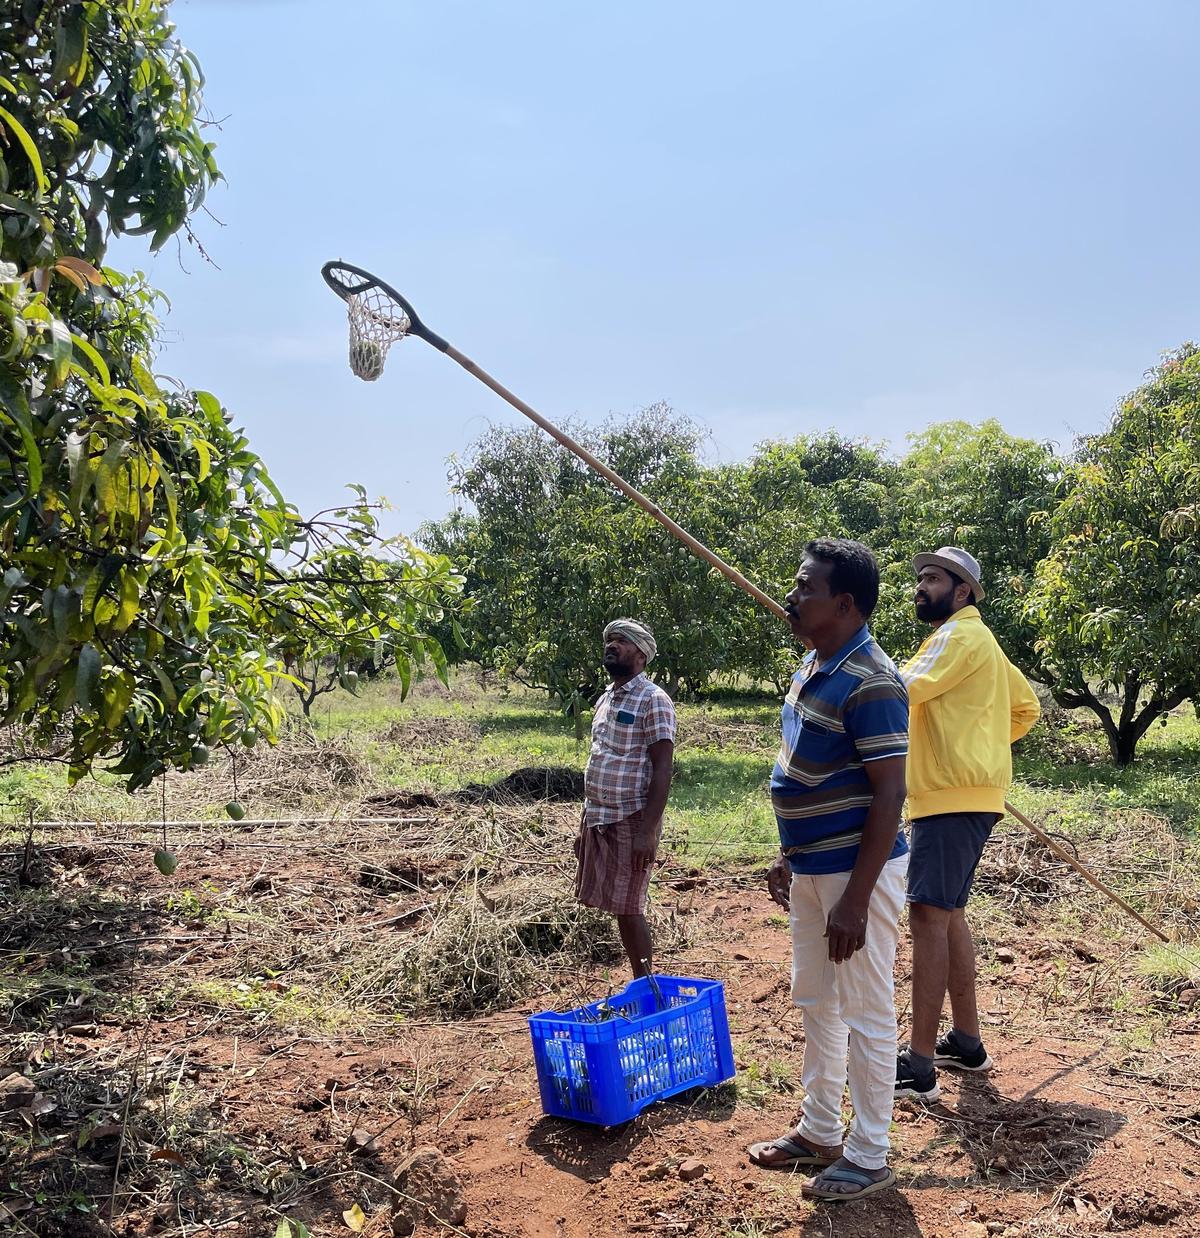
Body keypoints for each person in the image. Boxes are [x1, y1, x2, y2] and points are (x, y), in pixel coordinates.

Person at [748, 538, 909, 1202]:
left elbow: (890, 795)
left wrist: (855, 901)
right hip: (813, 868)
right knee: (815, 999)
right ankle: (819, 1131)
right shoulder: (816, 663)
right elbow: (801, 771)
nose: (792, 595)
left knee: (867, 1010)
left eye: (804, 586)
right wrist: (788, 852)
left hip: (854, 877)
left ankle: (869, 1153)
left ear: (843, 603)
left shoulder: (872, 680)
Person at [894, 547, 1041, 1103]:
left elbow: (898, 689)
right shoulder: (978, 641)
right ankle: (968, 1042)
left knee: (927, 917)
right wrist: (980, 746)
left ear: (962, 592)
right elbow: (1025, 708)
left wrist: (841, 661)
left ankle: (921, 1065)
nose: (920, 587)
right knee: (948, 913)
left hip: (950, 799)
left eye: (932, 579)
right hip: (964, 794)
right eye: (920, 578)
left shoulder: (959, 637)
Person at [575, 618, 675, 978]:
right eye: (611, 639)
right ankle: (640, 981)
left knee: (631, 905)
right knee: (619, 905)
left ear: (642, 654)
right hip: (600, 816)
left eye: (623, 641)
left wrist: (647, 832)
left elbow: (663, 768)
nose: (613, 645)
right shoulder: (605, 699)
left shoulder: (654, 699)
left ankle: (646, 985)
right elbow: (600, 754)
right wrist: (584, 823)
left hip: (632, 817)